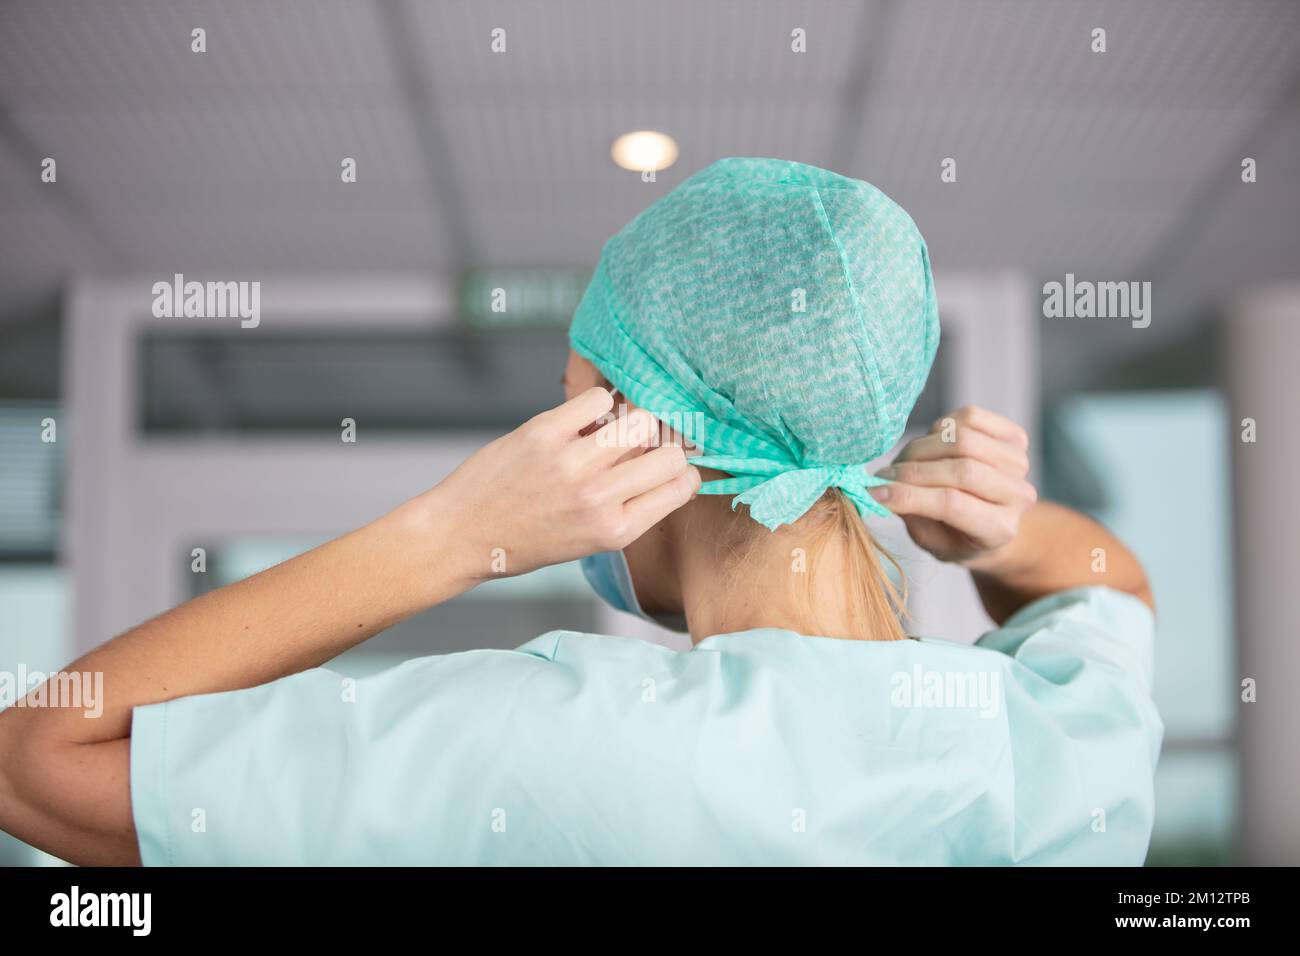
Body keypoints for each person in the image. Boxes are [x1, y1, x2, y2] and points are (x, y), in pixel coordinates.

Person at [0, 159, 1159, 866]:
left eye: (566, 414)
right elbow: (1107, 595)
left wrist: (447, 536)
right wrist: (1000, 533)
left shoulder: (546, 736)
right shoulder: (1054, 741)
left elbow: (40, 757)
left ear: (635, 438)